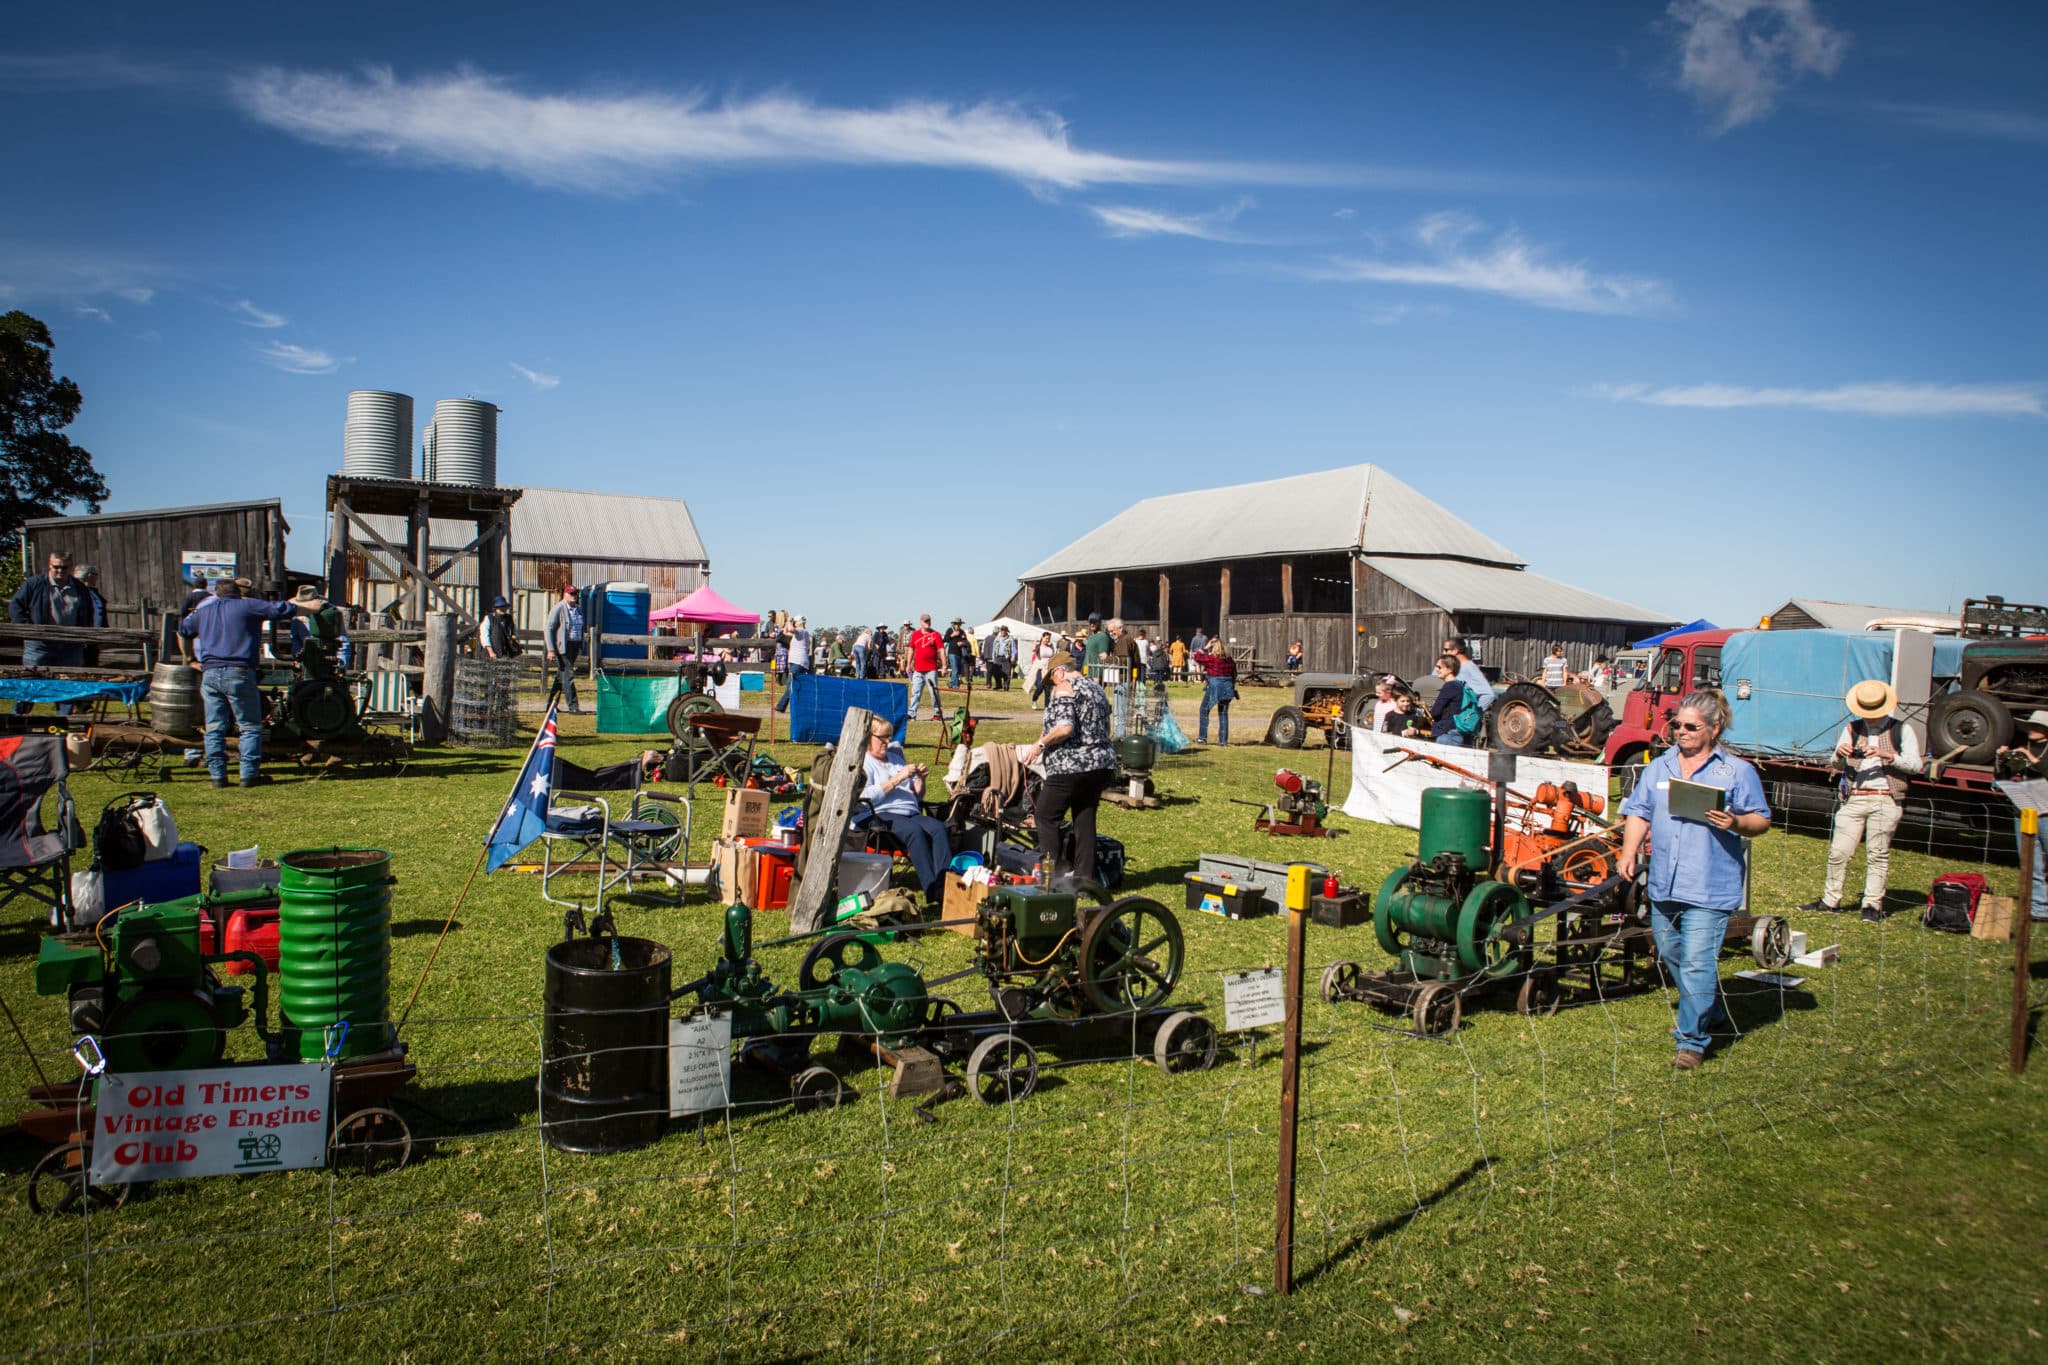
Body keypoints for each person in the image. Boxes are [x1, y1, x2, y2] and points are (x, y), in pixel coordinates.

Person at [1617, 689, 1773, 1070]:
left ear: (1715, 728)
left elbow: (1761, 820)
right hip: (1664, 882)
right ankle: (1710, 1008)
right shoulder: (1660, 766)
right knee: (1670, 953)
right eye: (1677, 725)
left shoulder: (1736, 771)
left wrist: (1736, 822)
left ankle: (1691, 1042)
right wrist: (1627, 851)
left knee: (1697, 963)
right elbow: (1638, 811)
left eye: (1691, 726)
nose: (1681, 732)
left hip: (1709, 884)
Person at [1799, 679, 1924, 922]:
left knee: (1877, 853)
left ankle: (1872, 905)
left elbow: (1915, 765)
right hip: (1855, 797)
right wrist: (1840, 753)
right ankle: (1830, 899)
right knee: (1839, 852)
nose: (1869, 717)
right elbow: (1835, 765)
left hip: (1885, 798)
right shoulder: (1852, 728)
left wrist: (1888, 756)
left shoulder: (1901, 730)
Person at [177, 578, 321, 787]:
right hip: (239, 671)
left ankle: (217, 776)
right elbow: (280, 609)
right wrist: (310, 608)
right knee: (249, 726)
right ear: (239, 593)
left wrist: (190, 659)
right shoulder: (247, 605)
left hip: (210, 673)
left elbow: (183, 631)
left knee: (215, 727)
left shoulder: (203, 612)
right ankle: (248, 774)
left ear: (216, 594)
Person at [1021, 653, 1117, 887]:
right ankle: (1085, 881)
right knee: (1084, 818)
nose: (1052, 685)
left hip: (1070, 765)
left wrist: (1039, 745)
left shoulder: (1064, 688)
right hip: (1101, 764)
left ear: (1060, 672)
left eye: (1051, 679)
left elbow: (1064, 728)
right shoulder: (1096, 688)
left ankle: (1050, 880)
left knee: (1045, 816)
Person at [860, 715, 952, 905]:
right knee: (914, 831)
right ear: (869, 737)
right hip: (879, 813)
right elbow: (864, 797)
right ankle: (932, 889)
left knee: (938, 828)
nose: (887, 742)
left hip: (910, 812)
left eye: (889, 737)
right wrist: (897, 779)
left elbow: (917, 795)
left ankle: (945, 886)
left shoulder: (895, 759)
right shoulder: (864, 763)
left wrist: (920, 779)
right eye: (882, 737)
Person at [9, 550, 91, 716]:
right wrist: (28, 628)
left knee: (66, 684)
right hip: (40, 644)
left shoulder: (79, 588)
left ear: (70, 567)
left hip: (70, 645)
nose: (60, 571)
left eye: (64, 567)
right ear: (50, 565)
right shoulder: (35, 584)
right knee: (30, 682)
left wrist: (83, 632)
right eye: (56, 567)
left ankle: (64, 723)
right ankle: (17, 719)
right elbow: (16, 606)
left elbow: (87, 612)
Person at [1996, 710, 2048, 922]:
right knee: (2030, 862)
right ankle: (2038, 908)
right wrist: (2000, 760)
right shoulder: (2021, 749)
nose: (2032, 730)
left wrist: (2031, 758)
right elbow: (2001, 778)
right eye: (2031, 726)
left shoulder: (2034, 752)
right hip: (2025, 810)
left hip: (2046, 811)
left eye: (2037, 727)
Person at [544, 584, 586, 714]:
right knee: (568, 675)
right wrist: (551, 649)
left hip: (574, 645)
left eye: (575, 594)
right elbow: (549, 629)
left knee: (561, 675)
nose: (574, 596)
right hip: (563, 647)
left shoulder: (578, 609)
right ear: (565, 594)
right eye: (571, 594)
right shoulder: (558, 608)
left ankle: (551, 705)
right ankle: (573, 706)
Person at [1193, 636, 1237, 744]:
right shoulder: (1229, 660)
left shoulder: (1212, 659)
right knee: (1223, 713)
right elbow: (1234, 674)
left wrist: (1205, 647)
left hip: (1214, 687)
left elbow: (1197, 657)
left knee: (1204, 710)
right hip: (1227, 688)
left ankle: (1202, 738)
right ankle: (1223, 741)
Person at [906, 614, 944, 720]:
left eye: (929, 621)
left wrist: (944, 665)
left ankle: (937, 713)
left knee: (934, 692)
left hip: (931, 669)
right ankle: (911, 713)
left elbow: (941, 650)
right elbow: (911, 649)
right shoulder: (915, 634)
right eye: (925, 621)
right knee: (915, 692)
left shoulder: (936, 634)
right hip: (918, 669)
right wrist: (908, 665)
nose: (928, 623)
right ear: (921, 622)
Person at [1426, 656, 1471, 746]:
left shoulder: (1450, 686)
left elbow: (1435, 711)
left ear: (1450, 669)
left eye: (1439, 667)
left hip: (1448, 734)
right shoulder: (1460, 685)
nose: (1437, 669)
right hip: (1459, 731)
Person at [1441, 637, 1494, 712]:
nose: (1443, 653)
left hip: (1455, 719)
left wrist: (1471, 715)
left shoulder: (1469, 668)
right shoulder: (1443, 665)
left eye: (1446, 650)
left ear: (1455, 651)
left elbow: (1488, 695)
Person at [775, 615, 812, 713]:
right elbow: (785, 632)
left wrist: (788, 621)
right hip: (797, 662)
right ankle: (798, 706)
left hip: (798, 662)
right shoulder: (801, 633)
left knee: (790, 684)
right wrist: (788, 623)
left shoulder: (802, 631)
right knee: (795, 685)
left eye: (795, 621)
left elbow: (791, 629)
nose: (794, 623)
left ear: (799, 622)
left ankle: (781, 706)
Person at [482, 595, 522, 660]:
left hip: (506, 654)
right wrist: (491, 652)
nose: (503, 609)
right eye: (501, 607)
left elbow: (514, 632)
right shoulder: (489, 618)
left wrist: (513, 636)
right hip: (491, 654)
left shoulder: (509, 618)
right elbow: (485, 636)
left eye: (504, 607)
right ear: (496, 608)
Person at [1026, 631, 1055, 708]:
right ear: (1042, 637)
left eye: (1049, 639)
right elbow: (1033, 650)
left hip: (1048, 669)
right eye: (1046, 638)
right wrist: (1035, 643)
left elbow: (1053, 656)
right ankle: (1034, 699)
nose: (1047, 640)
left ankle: (1047, 707)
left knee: (1048, 689)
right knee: (1040, 686)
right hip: (1040, 669)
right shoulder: (1039, 646)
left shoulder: (1050, 647)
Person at [987, 626, 1017, 691]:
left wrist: (1013, 656)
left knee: (1006, 673)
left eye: (1004, 630)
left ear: (1007, 631)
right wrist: (993, 656)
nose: (1002, 632)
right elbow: (994, 648)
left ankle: (1006, 685)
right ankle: (998, 685)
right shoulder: (997, 639)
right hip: (998, 657)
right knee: (995, 672)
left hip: (1006, 658)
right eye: (1001, 630)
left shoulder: (1010, 639)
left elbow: (1014, 649)